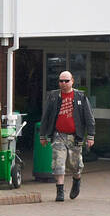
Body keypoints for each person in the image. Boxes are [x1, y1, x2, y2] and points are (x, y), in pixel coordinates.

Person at [40, 70, 95, 202]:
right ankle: (60, 191)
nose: (63, 83)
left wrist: (91, 136)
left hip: (75, 136)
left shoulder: (80, 96)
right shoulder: (53, 96)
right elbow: (46, 116)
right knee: (58, 163)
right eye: (61, 81)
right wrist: (43, 135)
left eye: (66, 81)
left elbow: (89, 117)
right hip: (58, 135)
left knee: (75, 165)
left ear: (72, 81)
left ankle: (77, 180)